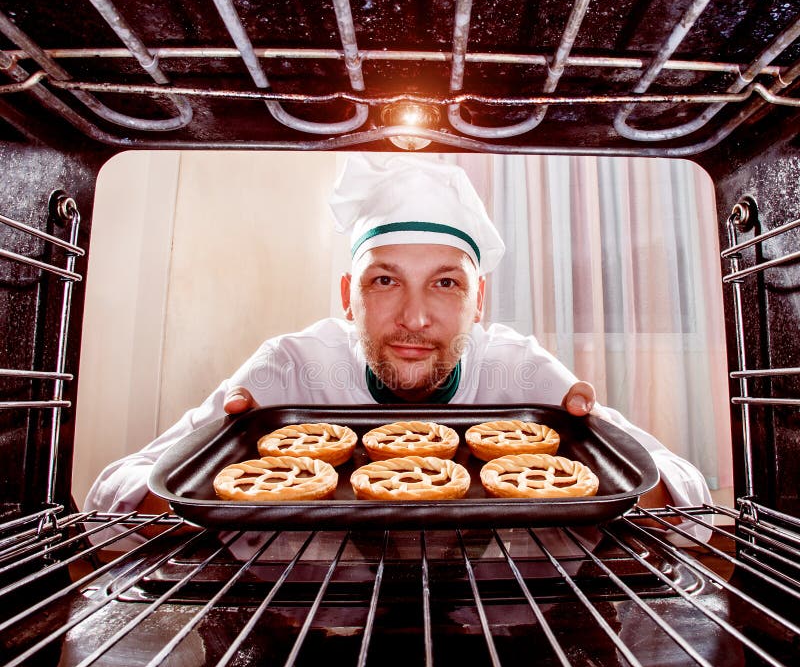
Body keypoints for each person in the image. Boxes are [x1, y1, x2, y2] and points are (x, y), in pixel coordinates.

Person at [84, 154, 711, 518]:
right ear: (346, 299)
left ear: (479, 301)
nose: (414, 318)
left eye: (445, 284)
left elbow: (688, 495)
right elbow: (108, 493)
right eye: (384, 280)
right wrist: (218, 455)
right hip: (307, 625)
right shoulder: (288, 369)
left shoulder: (519, 372)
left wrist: (597, 446)